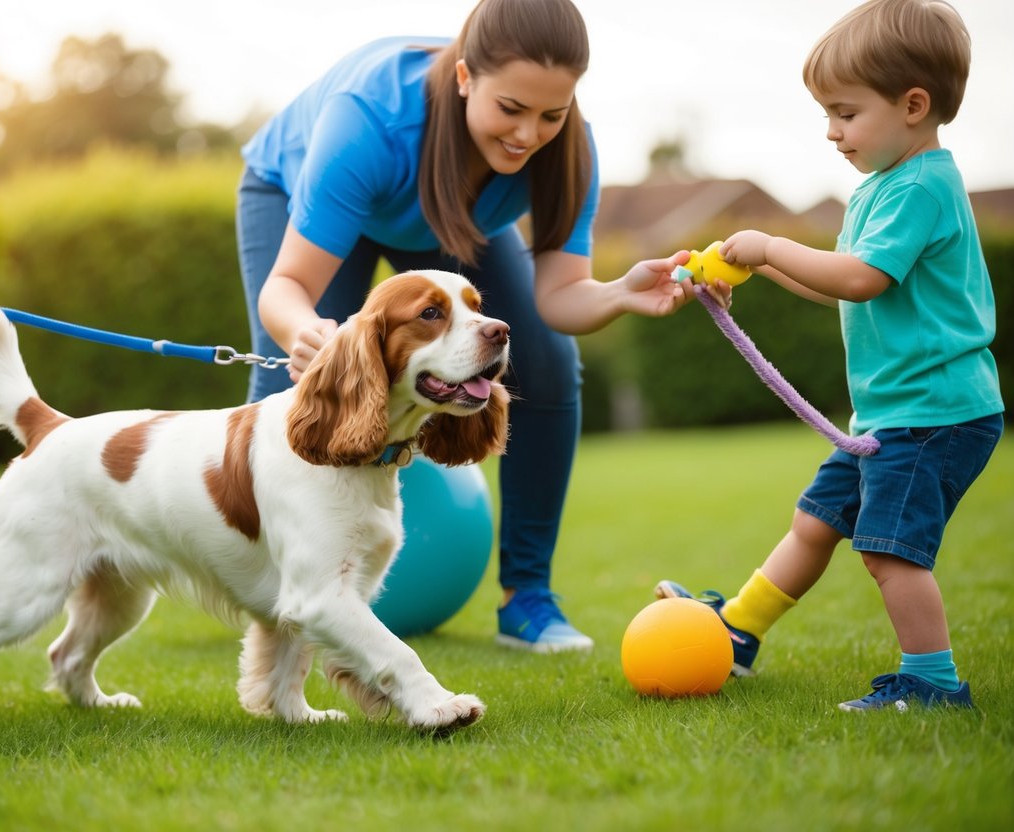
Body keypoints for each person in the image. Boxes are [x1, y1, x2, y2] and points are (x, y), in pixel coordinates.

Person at [236, 0, 713, 652]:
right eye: (510, 108)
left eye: (551, 114)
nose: (527, 134)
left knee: (546, 362)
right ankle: (274, 596)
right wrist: (304, 332)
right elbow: (286, 288)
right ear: (464, 77)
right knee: (292, 400)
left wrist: (619, 294)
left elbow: (560, 297)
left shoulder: (568, 149)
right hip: (295, 194)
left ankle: (527, 598)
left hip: (452, 216)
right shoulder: (368, 119)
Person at [657, 0, 1003, 710]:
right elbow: (843, 287)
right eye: (827, 114)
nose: (831, 131)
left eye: (846, 113)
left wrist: (770, 245)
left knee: (887, 549)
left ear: (912, 106)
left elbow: (860, 278)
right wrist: (758, 269)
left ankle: (932, 682)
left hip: (934, 414)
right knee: (814, 523)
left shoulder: (920, 187)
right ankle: (738, 631)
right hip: (892, 415)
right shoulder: (881, 188)